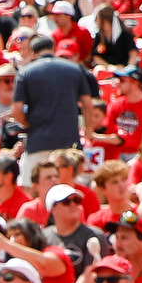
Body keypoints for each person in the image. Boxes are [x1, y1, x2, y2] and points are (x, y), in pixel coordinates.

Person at [11, 35, 94, 185]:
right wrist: (89, 131)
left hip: (38, 141)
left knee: (32, 188)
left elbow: (16, 109)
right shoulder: (74, 69)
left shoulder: (25, 72)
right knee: (70, 189)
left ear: (32, 53)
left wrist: (28, 124)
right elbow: (88, 104)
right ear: (53, 49)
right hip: (69, 142)